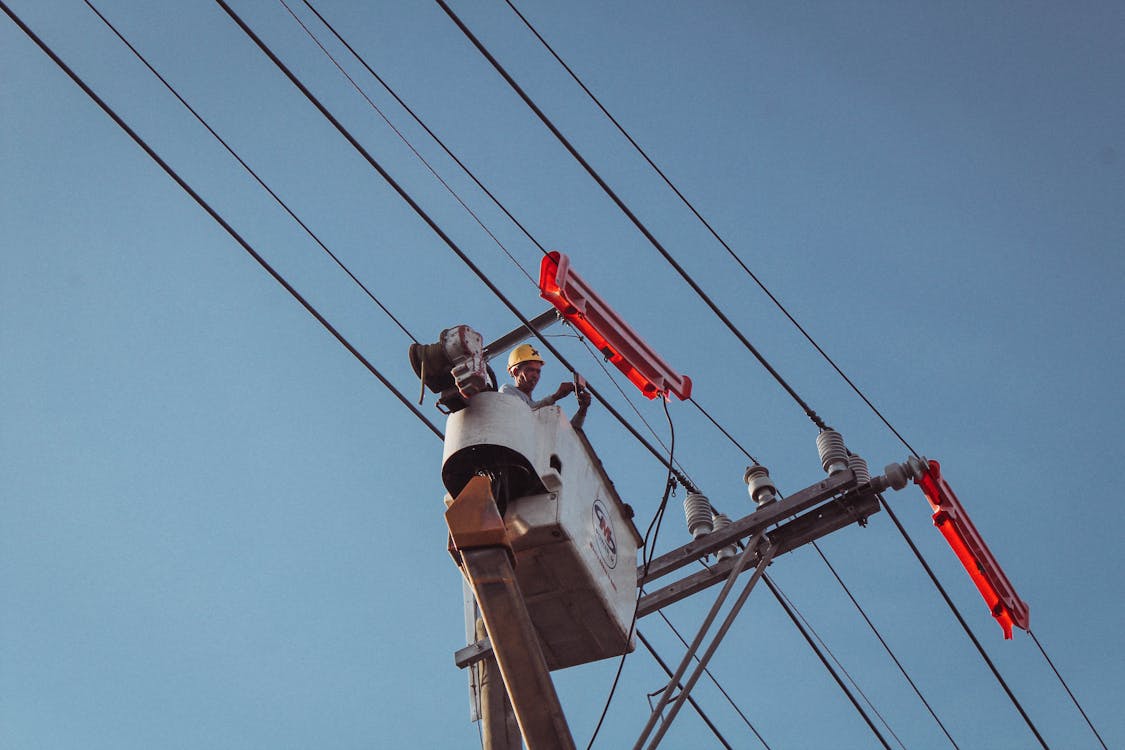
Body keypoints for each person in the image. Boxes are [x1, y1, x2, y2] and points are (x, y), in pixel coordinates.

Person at [499, 343, 591, 428]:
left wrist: (583, 409)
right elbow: (524, 415)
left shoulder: (540, 410)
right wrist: (555, 396)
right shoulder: (507, 391)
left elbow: (569, 435)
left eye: (538, 371)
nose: (535, 375)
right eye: (530, 370)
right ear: (515, 372)